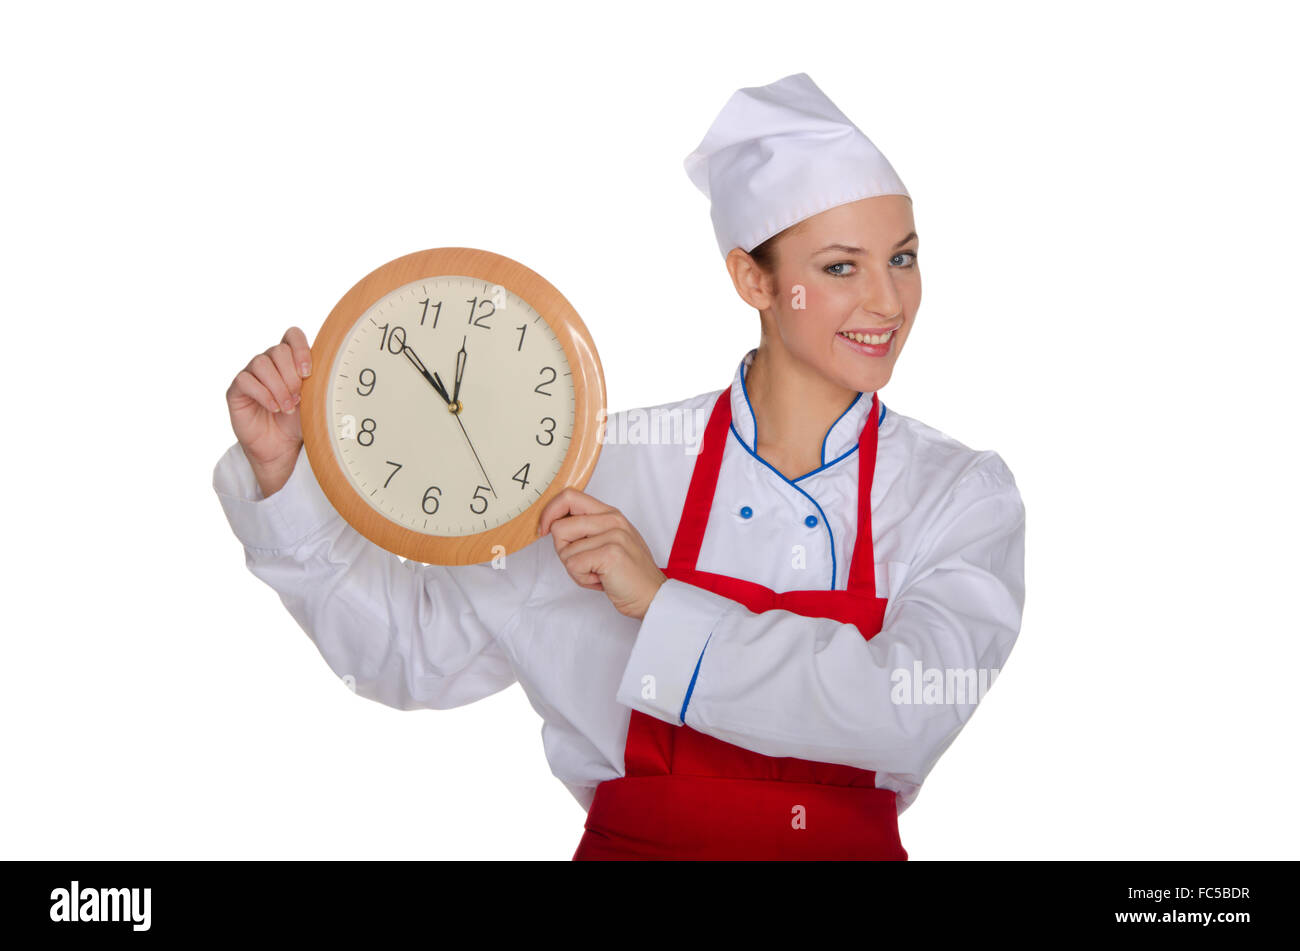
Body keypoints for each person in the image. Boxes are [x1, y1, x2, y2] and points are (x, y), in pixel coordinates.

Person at [213, 72, 1026, 860]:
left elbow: (900, 711)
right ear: (754, 279)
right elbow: (407, 654)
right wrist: (288, 477)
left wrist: (661, 602)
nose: (887, 301)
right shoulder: (596, 467)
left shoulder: (955, 495)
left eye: (905, 259)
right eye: (841, 267)